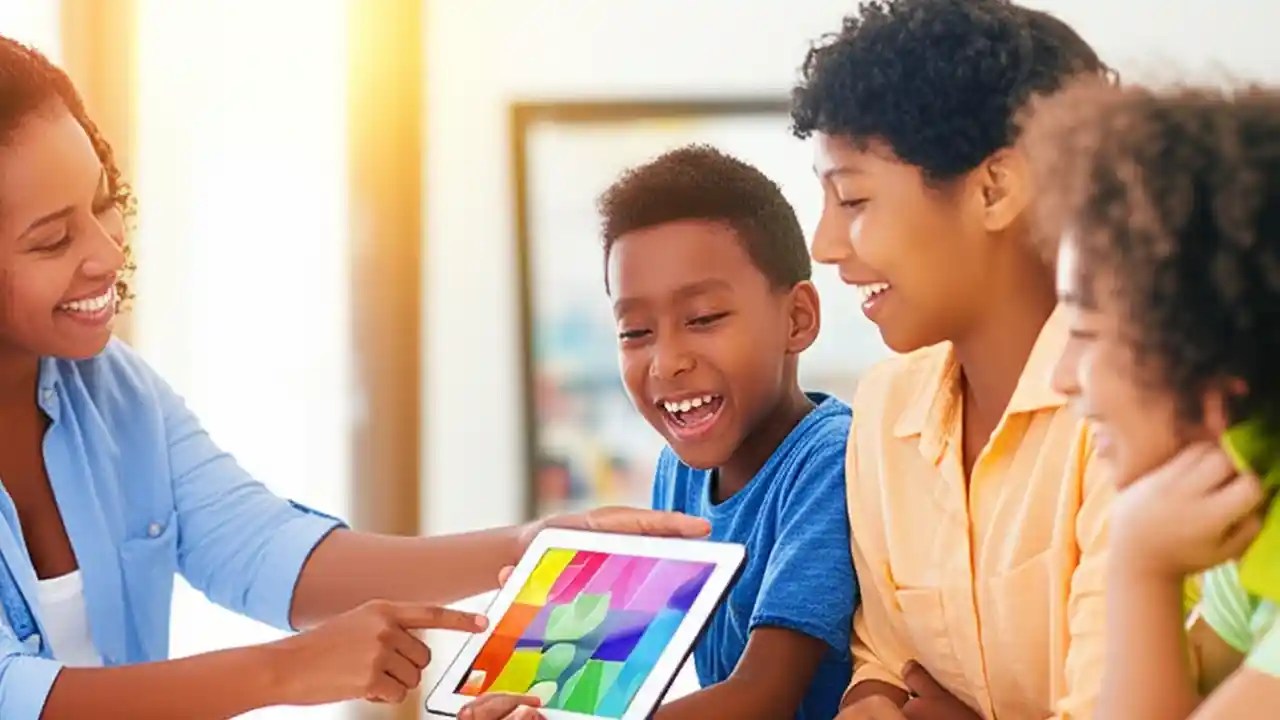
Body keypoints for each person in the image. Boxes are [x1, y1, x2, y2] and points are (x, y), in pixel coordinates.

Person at [0, 34, 708, 720]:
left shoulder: (116, 395)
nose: (105, 252)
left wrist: (530, 544)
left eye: (101, 202)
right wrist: (290, 670)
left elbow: (266, 551)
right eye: (53, 239)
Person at [790, 1, 1114, 717]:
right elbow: (880, 660)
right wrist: (870, 696)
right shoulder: (884, 409)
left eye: (852, 198)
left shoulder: (1134, 411)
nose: (825, 244)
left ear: (994, 189)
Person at [459, 146, 857, 720]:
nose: (666, 361)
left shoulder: (829, 460)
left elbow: (765, 696)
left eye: (703, 319)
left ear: (797, 319)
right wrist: (543, 662)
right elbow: (611, 668)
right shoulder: (681, 466)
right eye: (636, 331)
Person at [1024, 79, 1280, 719]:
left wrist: (1141, 566)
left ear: (1204, 342)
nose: (1062, 375)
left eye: (1085, 333)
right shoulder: (1244, 506)